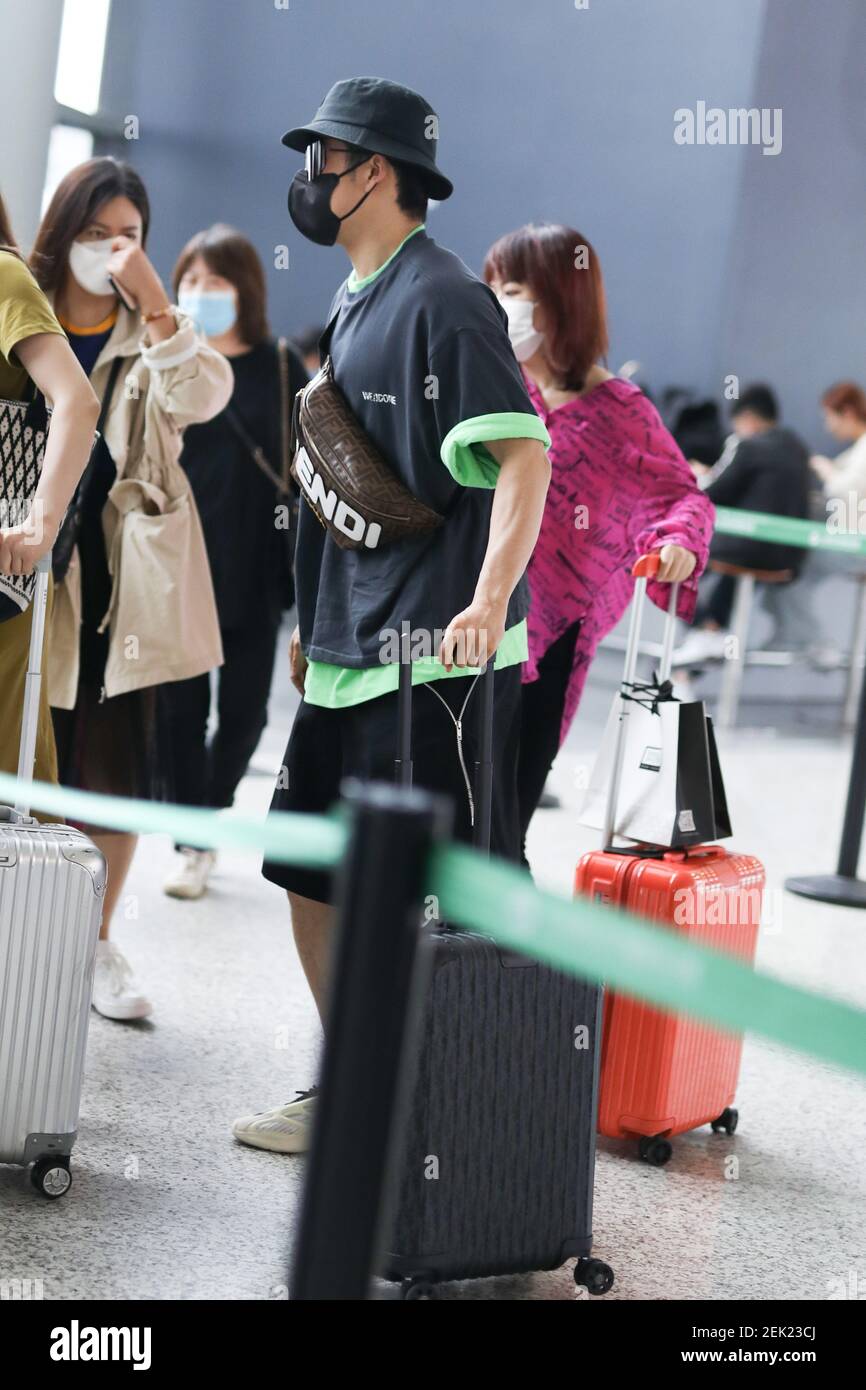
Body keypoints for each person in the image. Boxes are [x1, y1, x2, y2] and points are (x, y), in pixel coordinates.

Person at [232, 77, 552, 1155]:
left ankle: (456, 1118)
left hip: (430, 667)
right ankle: (362, 1085)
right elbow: (342, 492)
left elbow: (522, 454)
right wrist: (305, 624)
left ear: (375, 170)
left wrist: (488, 596)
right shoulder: (360, 295)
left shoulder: (443, 298)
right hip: (343, 650)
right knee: (308, 872)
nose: (309, 178)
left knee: (439, 901)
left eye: (324, 157)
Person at [29, 158, 232, 1020]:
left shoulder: (152, 335)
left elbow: (207, 393)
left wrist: (155, 302)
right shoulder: (23, 311)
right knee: (25, 756)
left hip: (117, 583)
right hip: (25, 571)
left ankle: (94, 946)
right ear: (60, 232)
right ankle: (21, 934)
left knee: (109, 770)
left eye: (128, 235)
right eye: (94, 232)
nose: (109, 249)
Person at [482, 223, 713, 863]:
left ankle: (491, 950)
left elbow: (681, 496)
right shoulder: (491, 386)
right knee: (448, 793)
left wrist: (678, 542)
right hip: (460, 620)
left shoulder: (619, 409)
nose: (500, 302)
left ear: (564, 297)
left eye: (516, 289)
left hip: (551, 635)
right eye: (495, 287)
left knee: (508, 813)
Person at [160, 225, 308, 900]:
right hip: (178, 567)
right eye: (189, 280)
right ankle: (191, 840)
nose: (199, 293)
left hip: (254, 566)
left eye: (214, 282)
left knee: (245, 714)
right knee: (177, 715)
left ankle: (208, 813)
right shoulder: (169, 361)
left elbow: (316, 464)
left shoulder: (280, 366)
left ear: (243, 289)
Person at [0, 192, 99, 803]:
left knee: (13, 794)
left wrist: (39, 528)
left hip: (5, 568)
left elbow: (77, 400)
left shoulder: (4, 276)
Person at [673, 384, 812, 665]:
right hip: (789, 556)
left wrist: (700, 475)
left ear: (747, 418)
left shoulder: (746, 445)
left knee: (670, 561)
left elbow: (712, 492)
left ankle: (703, 629)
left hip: (746, 548)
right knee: (729, 577)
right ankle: (707, 637)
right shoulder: (798, 449)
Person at [811, 381, 866, 504]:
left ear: (848, 413)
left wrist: (827, 471)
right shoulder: (857, 449)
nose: (828, 427)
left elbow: (850, 492)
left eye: (829, 417)